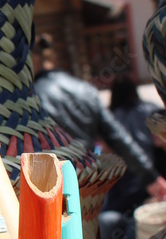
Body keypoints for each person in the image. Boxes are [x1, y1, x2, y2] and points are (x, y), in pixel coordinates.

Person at [32, 35, 166, 202]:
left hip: (51, 188)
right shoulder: (83, 89)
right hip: (89, 182)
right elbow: (119, 138)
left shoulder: (32, 97)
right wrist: (150, 177)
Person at [98, 77, 163, 239]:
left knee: (115, 226)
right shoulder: (151, 110)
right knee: (130, 229)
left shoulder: (111, 119)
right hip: (150, 189)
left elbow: (103, 153)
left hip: (121, 192)